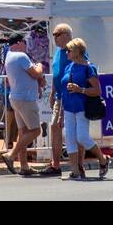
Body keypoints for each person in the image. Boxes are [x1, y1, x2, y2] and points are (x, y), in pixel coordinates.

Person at [59, 38, 110, 181]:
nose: (66, 53)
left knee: (81, 137)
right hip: (69, 107)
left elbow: (97, 90)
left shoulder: (89, 68)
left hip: (82, 108)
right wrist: (61, 113)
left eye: (69, 50)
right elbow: (63, 90)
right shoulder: (68, 67)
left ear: (77, 51)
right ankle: (75, 171)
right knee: (69, 139)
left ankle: (103, 159)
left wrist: (80, 89)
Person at [3, 32, 46, 176]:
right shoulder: (21, 56)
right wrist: (40, 66)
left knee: (24, 132)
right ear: (19, 42)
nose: (26, 46)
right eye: (25, 43)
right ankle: (11, 155)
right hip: (26, 99)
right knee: (36, 131)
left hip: (16, 97)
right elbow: (35, 73)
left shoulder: (9, 56)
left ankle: (24, 166)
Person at [45, 22, 73, 177]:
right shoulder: (57, 51)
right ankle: (55, 164)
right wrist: (52, 92)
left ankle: (78, 164)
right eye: (53, 34)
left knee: (74, 130)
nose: (54, 37)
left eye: (57, 34)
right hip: (58, 96)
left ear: (66, 35)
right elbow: (56, 72)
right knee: (55, 127)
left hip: (70, 96)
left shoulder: (73, 50)